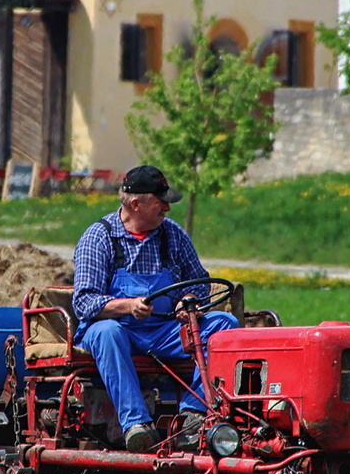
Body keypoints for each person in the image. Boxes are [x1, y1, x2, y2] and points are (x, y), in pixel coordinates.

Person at [72, 165, 239, 453]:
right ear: (136, 204)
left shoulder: (172, 235)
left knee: (225, 323)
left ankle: (192, 418)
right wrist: (127, 306)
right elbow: (84, 302)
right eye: (160, 202)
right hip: (118, 331)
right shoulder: (98, 238)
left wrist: (188, 299)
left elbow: (200, 281)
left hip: (163, 331)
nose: (167, 209)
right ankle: (136, 425)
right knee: (106, 332)